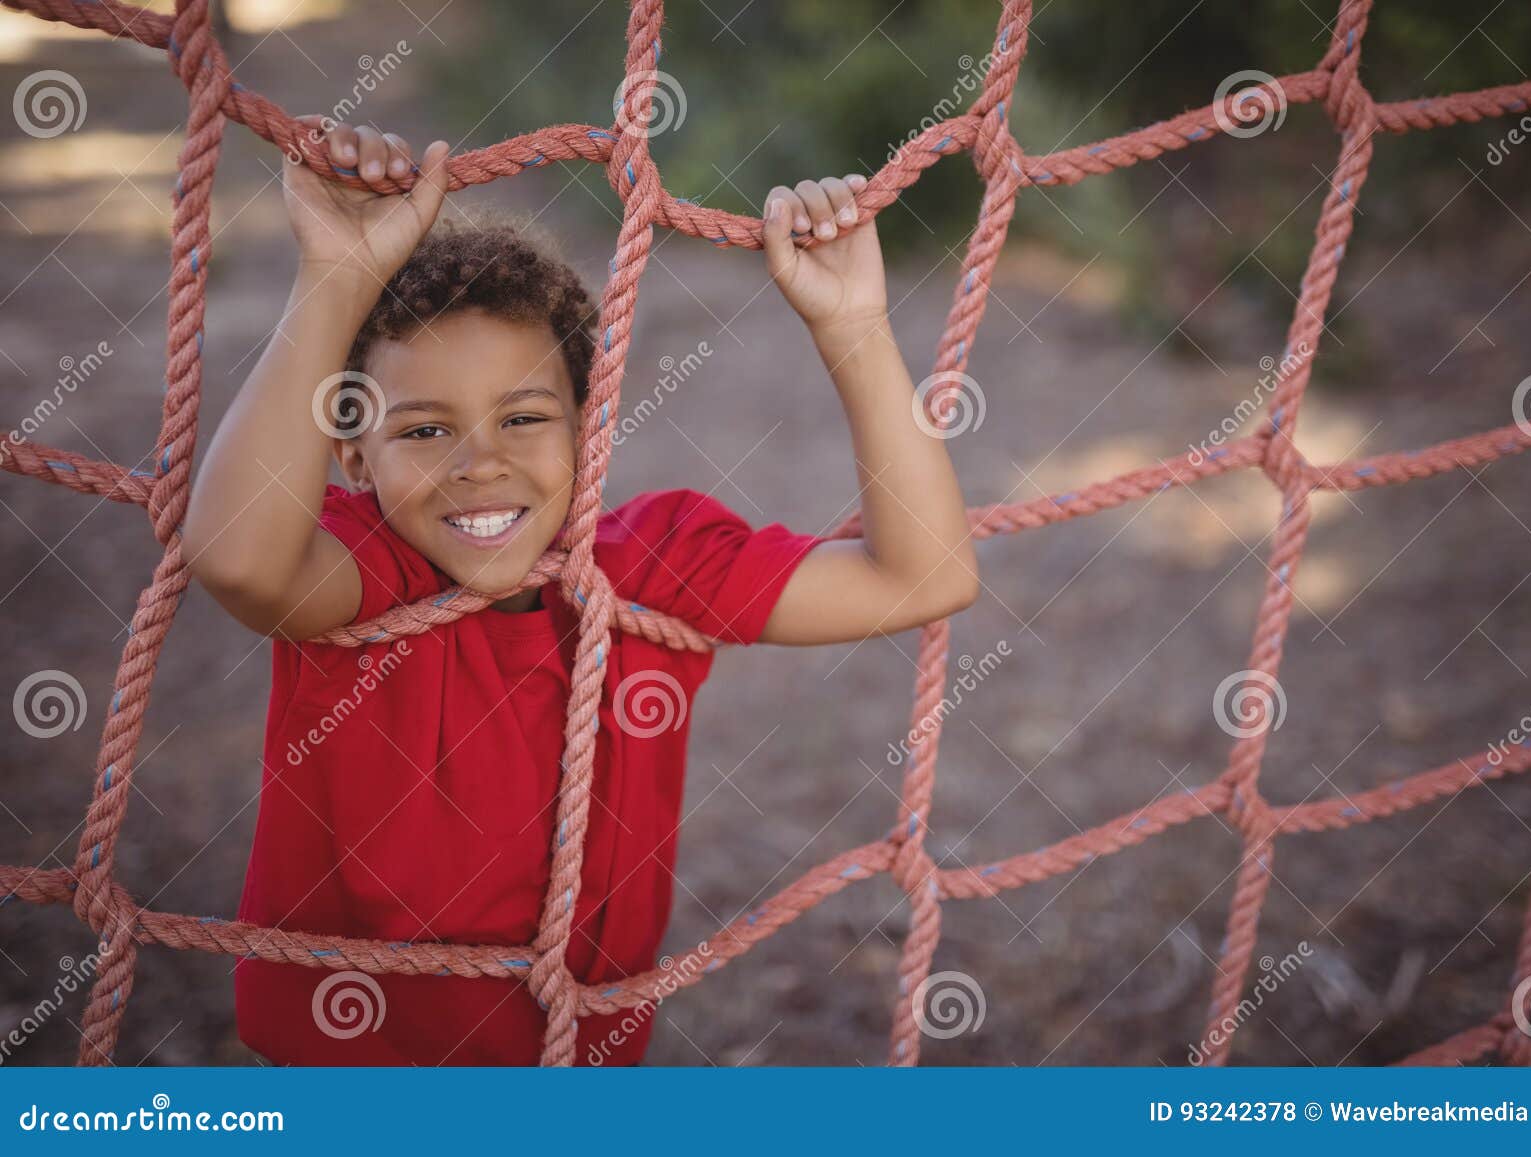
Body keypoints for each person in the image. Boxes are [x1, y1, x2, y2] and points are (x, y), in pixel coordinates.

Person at [179, 116, 978, 1065]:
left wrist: (853, 327)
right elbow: (235, 556)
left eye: (524, 417)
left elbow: (925, 573)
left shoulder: (647, 571)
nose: (483, 464)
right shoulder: (370, 577)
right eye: (425, 431)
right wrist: (335, 277)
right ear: (350, 451)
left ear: (588, 427)